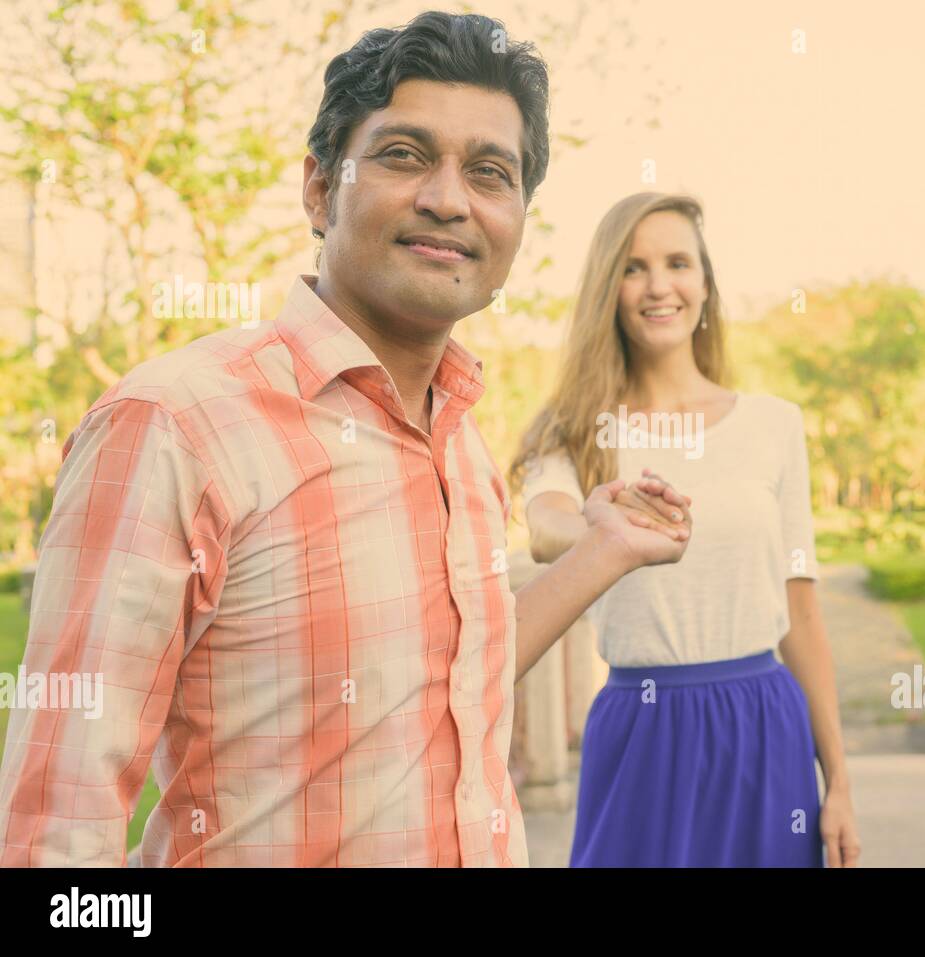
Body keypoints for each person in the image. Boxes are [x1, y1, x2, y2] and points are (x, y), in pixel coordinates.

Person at [0, 12, 693, 868]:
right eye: (404, 155)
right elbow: (54, 833)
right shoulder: (174, 425)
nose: (448, 198)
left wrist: (607, 548)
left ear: (516, 216)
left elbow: (457, 669)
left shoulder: (461, 443)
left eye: (489, 171)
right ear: (321, 189)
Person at [509, 192, 861, 867]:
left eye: (678, 262)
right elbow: (544, 526)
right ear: (608, 290)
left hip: (765, 725)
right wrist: (600, 519)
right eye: (634, 267)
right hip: (642, 725)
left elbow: (801, 612)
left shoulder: (773, 424)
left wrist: (838, 781)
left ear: (705, 285)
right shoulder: (576, 427)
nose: (659, 285)